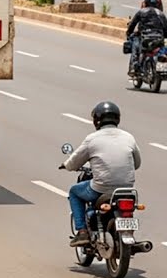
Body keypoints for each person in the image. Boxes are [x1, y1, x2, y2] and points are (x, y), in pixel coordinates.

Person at [59, 101, 141, 247]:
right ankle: (128, 231)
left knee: (74, 192)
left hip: (101, 188)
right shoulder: (129, 137)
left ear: (96, 120)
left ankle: (82, 232)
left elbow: (74, 161)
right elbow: (137, 163)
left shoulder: (92, 139)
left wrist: (66, 165)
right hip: (127, 189)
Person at [125, 0, 167, 76]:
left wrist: (129, 33)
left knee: (135, 46)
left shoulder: (141, 12)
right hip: (159, 39)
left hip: (145, 38)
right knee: (163, 50)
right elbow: (166, 28)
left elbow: (132, 24)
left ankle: (133, 66)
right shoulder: (161, 14)